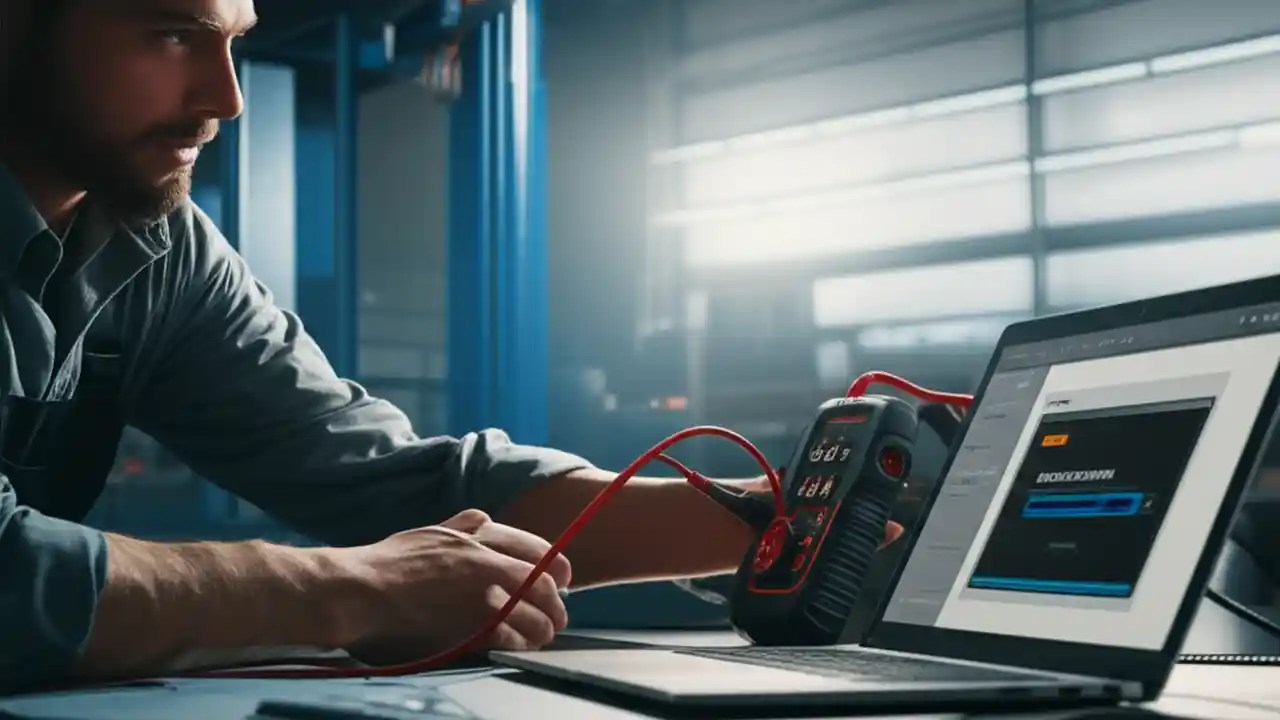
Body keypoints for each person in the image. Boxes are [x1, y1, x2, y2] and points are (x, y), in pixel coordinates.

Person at [0, 0, 899, 694]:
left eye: (234, 38)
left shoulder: (158, 246)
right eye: (171, 34)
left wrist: (801, 513)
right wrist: (352, 589)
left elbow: (399, 486)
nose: (225, 98)